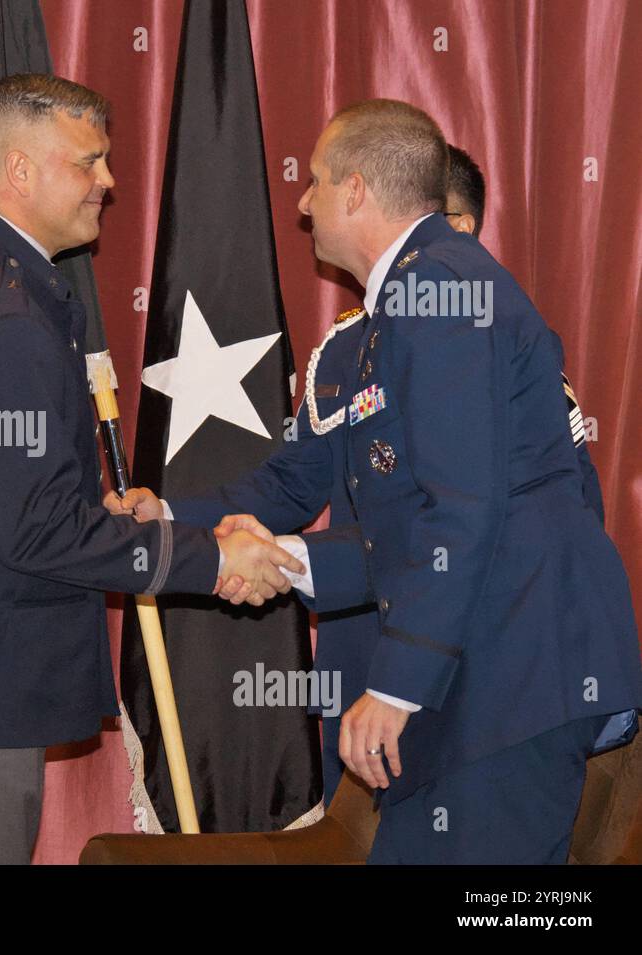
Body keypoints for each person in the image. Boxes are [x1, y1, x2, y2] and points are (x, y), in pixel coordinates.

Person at [110, 100, 641, 863]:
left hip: (509, 676)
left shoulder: (442, 291)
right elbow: (395, 518)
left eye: (317, 182)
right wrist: (244, 545)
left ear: (357, 191)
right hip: (472, 685)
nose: (301, 201)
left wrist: (394, 688)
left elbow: (461, 512)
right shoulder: (386, 322)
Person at [0, 73, 304, 865]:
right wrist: (212, 557)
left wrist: (102, 514)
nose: (108, 183)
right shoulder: (3, 318)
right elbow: (37, 532)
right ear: (18, 171)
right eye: (89, 162)